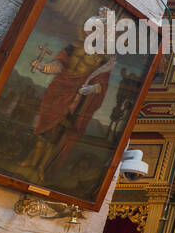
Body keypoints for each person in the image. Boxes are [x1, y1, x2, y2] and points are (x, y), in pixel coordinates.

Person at [18, 24, 113, 181]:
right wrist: (44, 67)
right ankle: (32, 160)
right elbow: (59, 64)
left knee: (57, 133)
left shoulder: (101, 58)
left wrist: (91, 89)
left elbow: (101, 83)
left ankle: (43, 165)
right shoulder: (74, 46)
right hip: (59, 88)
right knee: (43, 127)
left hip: (75, 96)